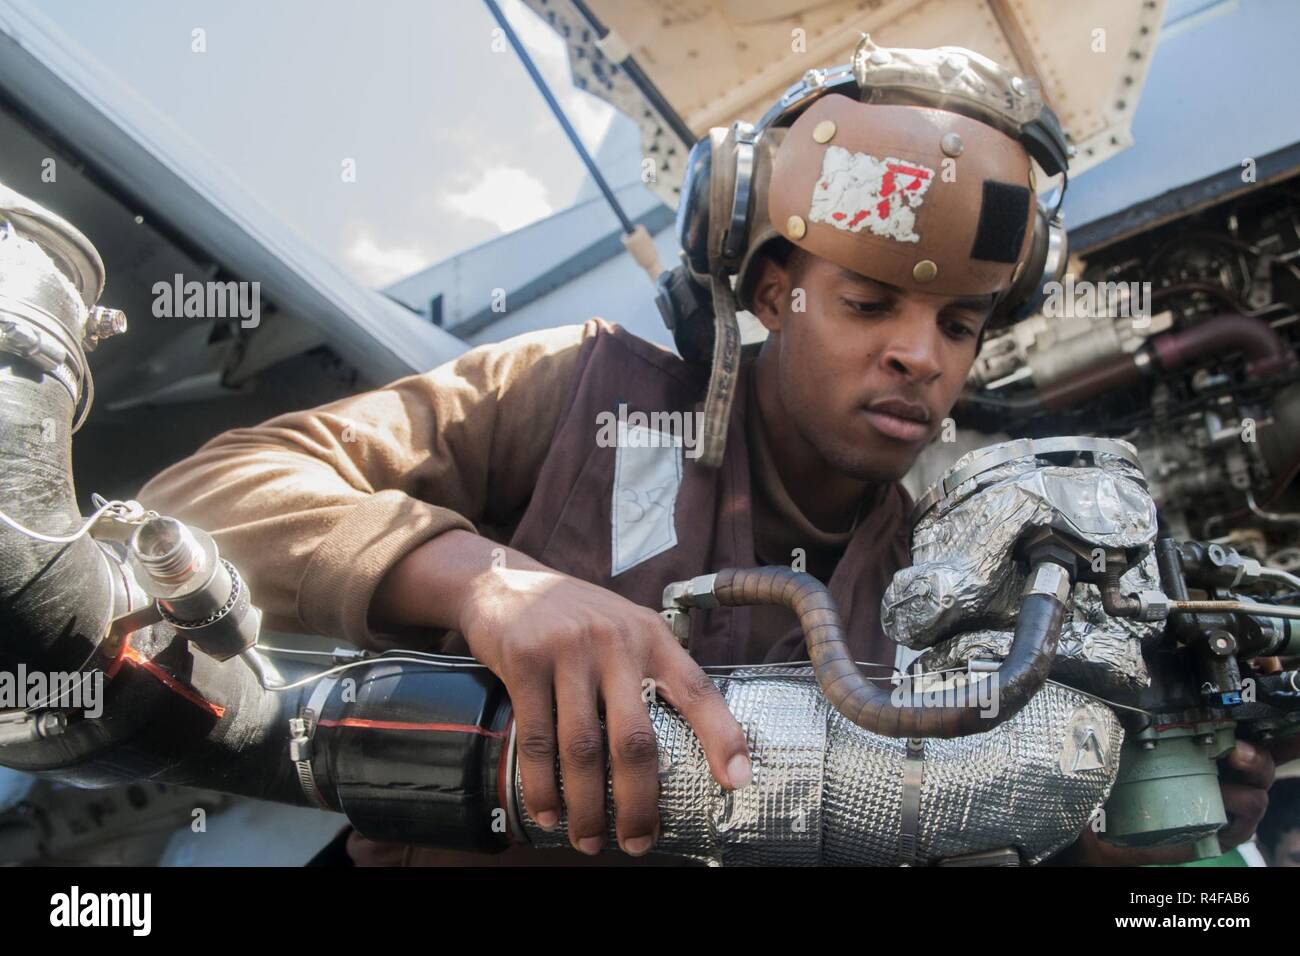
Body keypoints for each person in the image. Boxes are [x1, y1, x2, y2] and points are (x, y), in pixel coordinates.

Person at [138, 38, 1285, 865]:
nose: (918, 358)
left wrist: (1153, 852)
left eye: (957, 324)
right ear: (774, 289)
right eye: (869, 303)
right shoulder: (574, 390)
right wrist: (489, 583)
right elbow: (207, 496)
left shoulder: (956, 576)